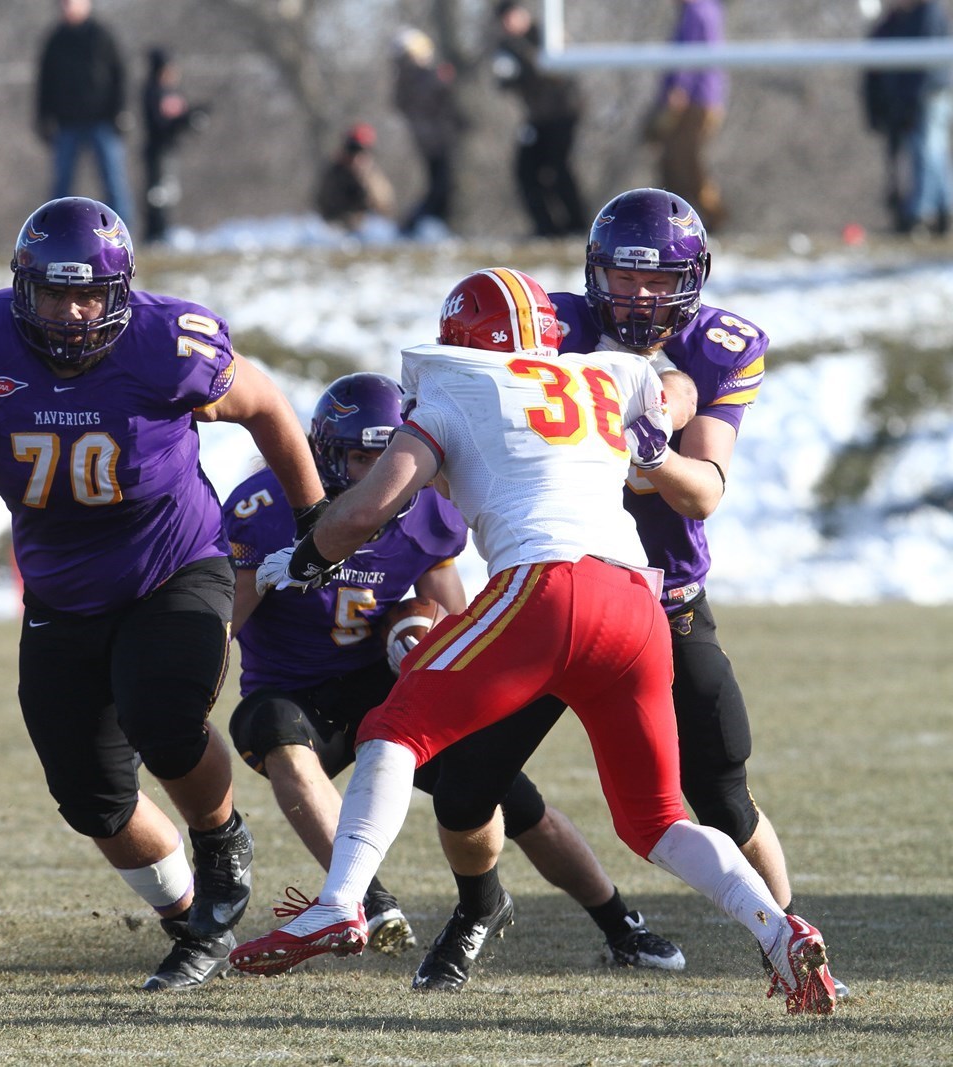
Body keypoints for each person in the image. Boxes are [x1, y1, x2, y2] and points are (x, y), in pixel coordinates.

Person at [226, 267, 838, 1017]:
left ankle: (341, 902)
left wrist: (309, 555)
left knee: (393, 728)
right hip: (637, 605)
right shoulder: (607, 372)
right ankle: (779, 930)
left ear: (460, 337)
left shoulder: (453, 385)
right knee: (657, 819)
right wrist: (656, 423)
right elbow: (676, 387)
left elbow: (364, 512)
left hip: (548, 586)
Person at [0, 195, 325, 991]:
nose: (72, 313)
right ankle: (192, 921)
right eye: (54, 293)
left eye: (89, 295)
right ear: (22, 288)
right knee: (90, 798)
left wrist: (313, 516)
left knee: (164, 718)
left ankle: (221, 840)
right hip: (60, 592)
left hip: (172, 566)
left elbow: (268, 407)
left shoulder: (167, 345)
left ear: (120, 292)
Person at [402, 186, 853, 996]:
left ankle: (786, 937)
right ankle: (477, 908)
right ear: (594, 271)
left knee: (723, 798)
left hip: (660, 606)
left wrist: (653, 453)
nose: (640, 296)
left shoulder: (720, 345)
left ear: (693, 279)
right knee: (465, 788)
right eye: (624, 276)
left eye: (658, 280)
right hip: (546, 589)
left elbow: (703, 489)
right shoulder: (545, 326)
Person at [224, 371, 685, 981]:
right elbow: (226, 618)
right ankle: (364, 901)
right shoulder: (265, 508)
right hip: (293, 691)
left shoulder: (430, 513)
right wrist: (189, 686)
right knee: (281, 737)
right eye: (361, 458)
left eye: (387, 455)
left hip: (385, 685)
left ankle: (619, 922)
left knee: (508, 797)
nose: (378, 473)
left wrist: (416, 631)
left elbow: (458, 618)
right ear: (328, 456)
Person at [37, 0, 134, 232]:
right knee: (61, 186)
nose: (67, 7)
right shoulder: (55, 40)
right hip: (67, 123)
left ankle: (121, 235)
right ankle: (54, 234)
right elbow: (44, 82)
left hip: (102, 121)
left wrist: (121, 112)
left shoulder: (102, 35)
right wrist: (43, 117)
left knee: (114, 182)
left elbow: (119, 75)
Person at [492, 1, 586, 238]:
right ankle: (546, 228)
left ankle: (576, 225)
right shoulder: (507, 46)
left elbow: (557, 73)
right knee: (525, 172)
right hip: (537, 119)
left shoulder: (546, 34)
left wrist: (523, 60)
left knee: (557, 169)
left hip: (562, 114)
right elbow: (506, 82)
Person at [863, 0, 953, 236]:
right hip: (906, 101)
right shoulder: (892, 21)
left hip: (930, 95)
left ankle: (922, 214)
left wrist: (913, 100)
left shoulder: (928, 12)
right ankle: (939, 208)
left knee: (928, 150)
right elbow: (875, 69)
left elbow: (928, 64)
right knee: (925, 152)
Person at [650, 0, 727, 231]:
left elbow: (690, 53)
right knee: (673, 161)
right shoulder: (704, 8)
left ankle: (712, 217)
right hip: (697, 99)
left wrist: (679, 89)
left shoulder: (697, 9)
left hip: (694, 101)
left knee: (684, 162)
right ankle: (671, 220)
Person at [390, 28, 465, 238]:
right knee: (440, 186)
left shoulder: (407, 78)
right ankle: (413, 226)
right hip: (435, 139)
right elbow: (432, 94)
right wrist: (443, 79)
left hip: (431, 138)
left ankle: (431, 226)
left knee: (442, 186)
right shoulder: (416, 76)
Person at [141, 47, 206, 245]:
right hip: (157, 151)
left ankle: (165, 231)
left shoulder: (173, 92)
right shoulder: (153, 92)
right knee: (157, 194)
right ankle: (155, 235)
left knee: (169, 192)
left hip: (171, 150)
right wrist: (182, 121)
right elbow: (160, 124)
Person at [314, 123, 396, 232]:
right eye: (352, 150)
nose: (356, 157)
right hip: (337, 228)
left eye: (361, 151)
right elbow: (324, 204)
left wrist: (364, 179)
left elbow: (385, 206)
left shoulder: (373, 176)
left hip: (368, 229)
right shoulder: (335, 173)